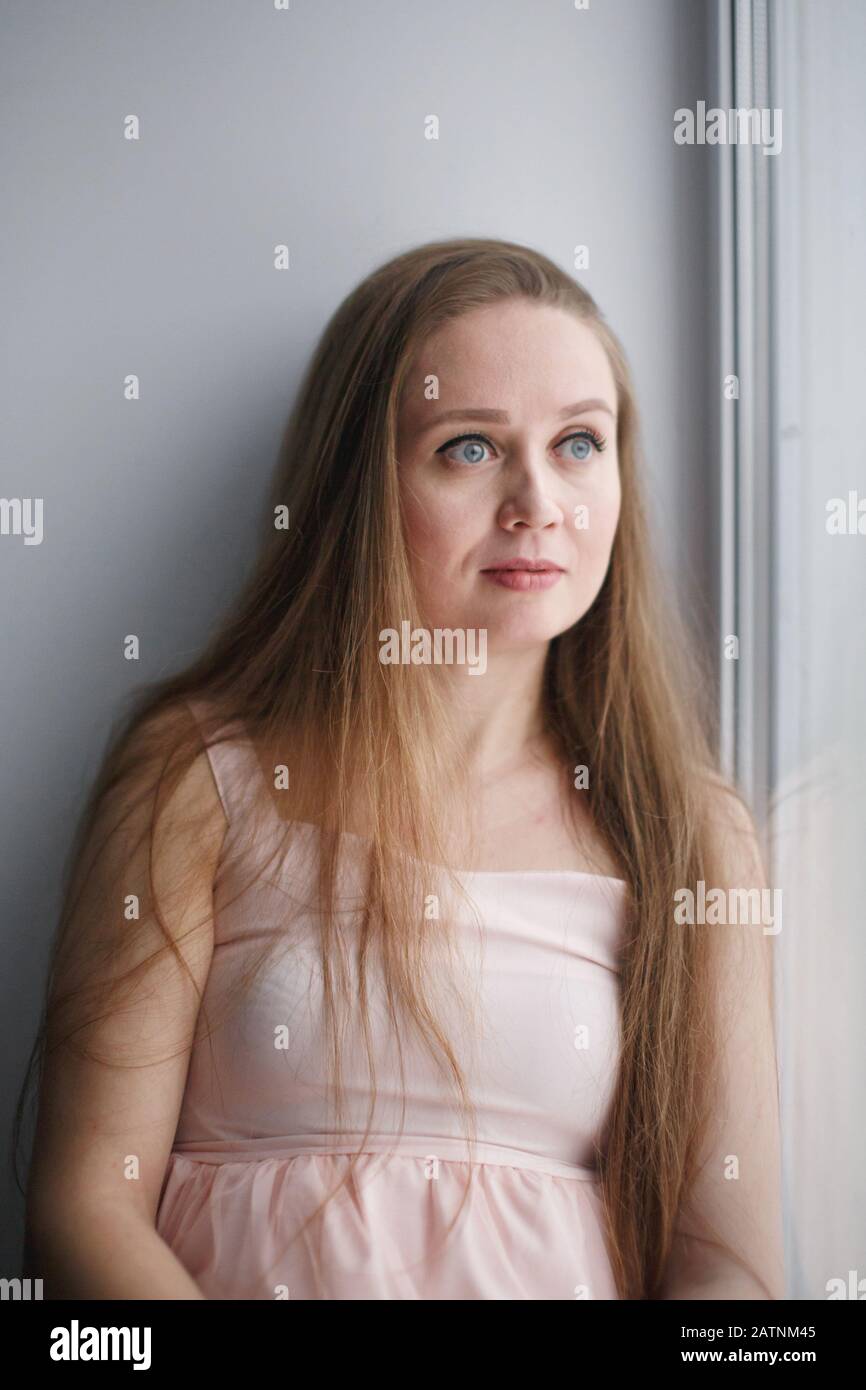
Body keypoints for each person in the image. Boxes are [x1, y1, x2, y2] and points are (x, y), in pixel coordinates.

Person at [16, 238, 785, 1300]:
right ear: (358, 488)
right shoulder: (194, 778)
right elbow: (83, 1208)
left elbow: (731, 1272)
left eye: (576, 443)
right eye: (468, 449)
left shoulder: (688, 833)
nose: (536, 503)